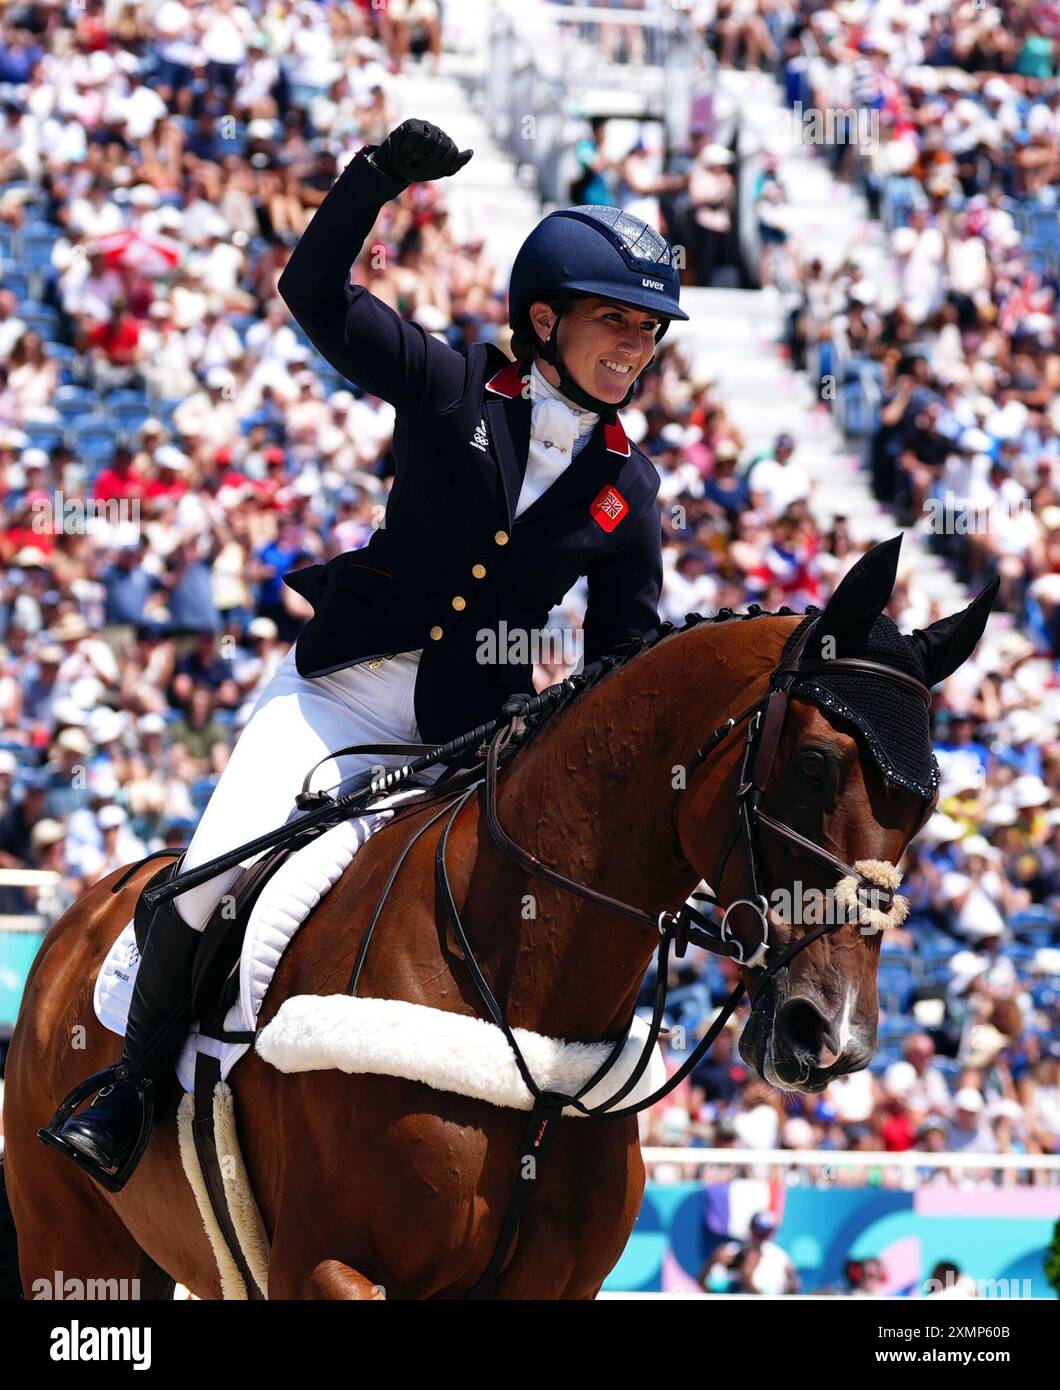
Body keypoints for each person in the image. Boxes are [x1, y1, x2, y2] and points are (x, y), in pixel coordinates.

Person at [42, 118, 690, 1189]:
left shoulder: (634, 490)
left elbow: (623, 655)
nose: (634, 345)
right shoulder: (450, 387)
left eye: (648, 329)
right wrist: (378, 178)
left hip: (465, 745)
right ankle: (131, 1089)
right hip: (334, 705)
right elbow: (314, 294)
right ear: (543, 318)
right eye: (613, 320)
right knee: (210, 880)